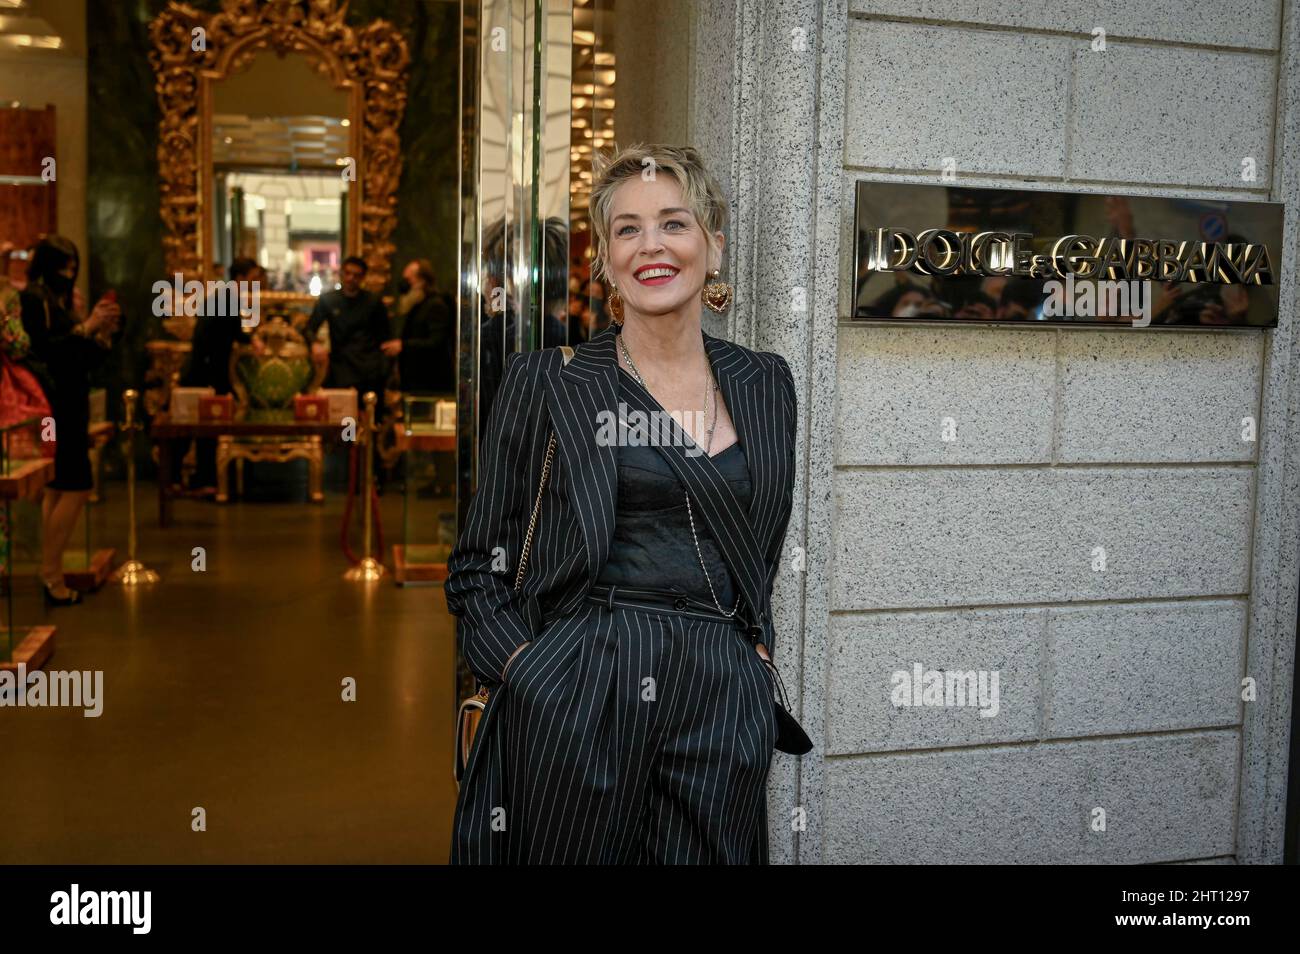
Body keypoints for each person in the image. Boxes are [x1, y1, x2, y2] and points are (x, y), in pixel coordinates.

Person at [446, 143, 799, 864]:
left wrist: (751, 659)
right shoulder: (548, 381)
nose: (652, 247)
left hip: (718, 693)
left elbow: (756, 548)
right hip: (581, 682)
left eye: (674, 223)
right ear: (604, 259)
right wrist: (528, 671)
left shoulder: (766, 382)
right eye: (627, 230)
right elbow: (477, 566)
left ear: (713, 244)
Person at [18, 235, 119, 605]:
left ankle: (52, 571)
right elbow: (46, 351)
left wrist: (101, 334)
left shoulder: (57, 302)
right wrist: (87, 327)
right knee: (75, 485)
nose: (69, 273)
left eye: (73, 267)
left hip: (69, 402)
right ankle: (50, 573)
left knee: (60, 486)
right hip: (55, 405)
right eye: (63, 266)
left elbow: (75, 353)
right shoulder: (35, 300)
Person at [180, 257, 265, 492]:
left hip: (206, 369)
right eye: (253, 278)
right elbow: (234, 334)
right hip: (207, 371)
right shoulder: (227, 298)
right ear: (241, 278)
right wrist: (253, 339)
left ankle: (203, 478)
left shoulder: (225, 296)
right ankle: (203, 479)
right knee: (207, 425)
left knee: (207, 425)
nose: (257, 282)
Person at [307, 255, 390, 406]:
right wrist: (314, 344)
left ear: (363, 277)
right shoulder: (328, 300)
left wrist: (382, 368)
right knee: (341, 417)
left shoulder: (374, 302)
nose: (351, 278)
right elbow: (309, 328)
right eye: (348, 273)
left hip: (369, 368)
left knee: (369, 417)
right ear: (341, 274)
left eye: (356, 275)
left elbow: (385, 336)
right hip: (340, 367)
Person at [388, 258, 455, 394]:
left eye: (409, 280)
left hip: (430, 381)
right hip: (415, 380)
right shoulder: (418, 304)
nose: (405, 285)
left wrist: (403, 345)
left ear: (422, 280)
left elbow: (436, 342)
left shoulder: (435, 305)